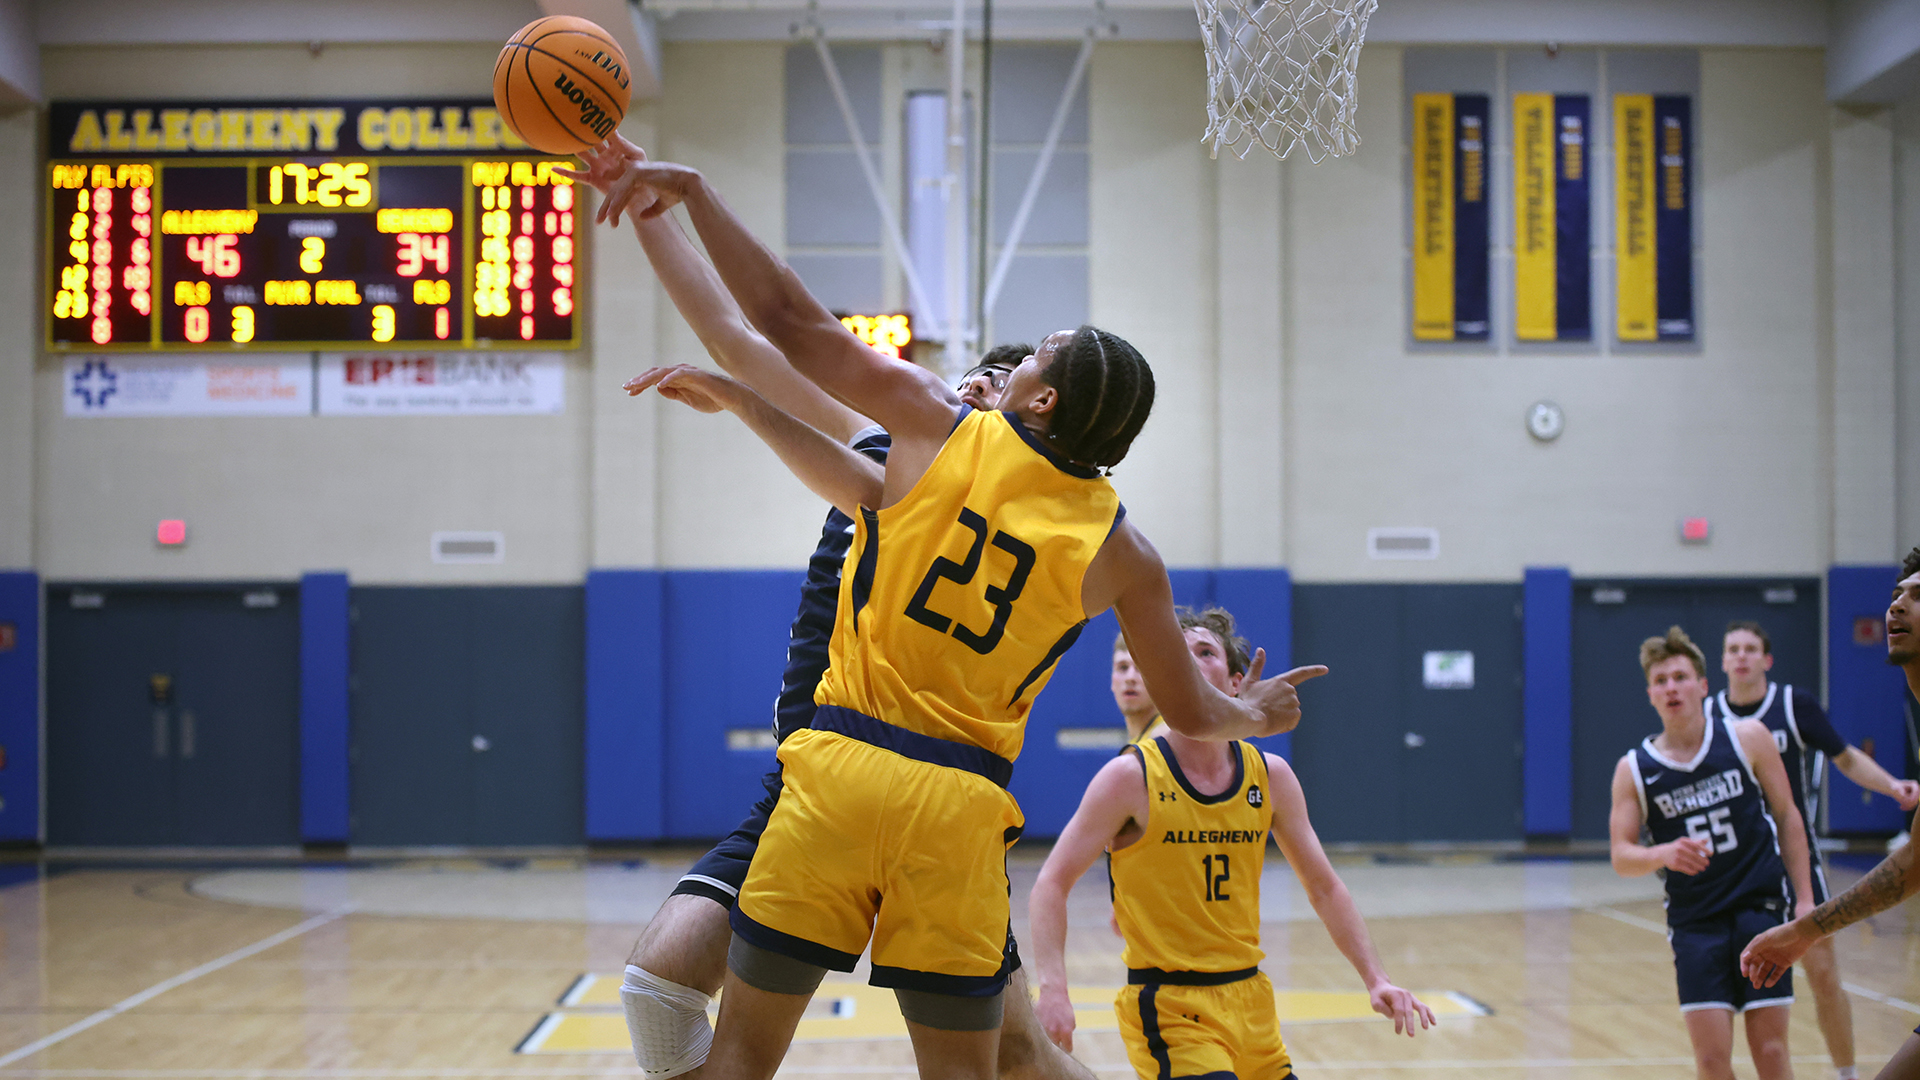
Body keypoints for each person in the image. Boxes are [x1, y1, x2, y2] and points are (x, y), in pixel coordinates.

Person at [599, 146, 1327, 1080]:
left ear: (1042, 399)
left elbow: (780, 320)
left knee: (742, 1056)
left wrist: (691, 193)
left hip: (836, 773)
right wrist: (1253, 716)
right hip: (957, 804)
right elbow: (1190, 712)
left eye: (1036, 359)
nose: (1015, 362)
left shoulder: (933, 428)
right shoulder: (1124, 549)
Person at [559, 140, 1084, 1080]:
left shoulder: (997, 503)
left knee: (1014, 1055)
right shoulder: (885, 444)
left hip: (924, 793)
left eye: (992, 386)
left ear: (1015, 419)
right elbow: (740, 337)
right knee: (658, 985)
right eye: (969, 373)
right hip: (815, 780)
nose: (968, 384)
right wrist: (649, 211)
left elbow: (765, 338)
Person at [1030, 606, 1434, 1080]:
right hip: (1170, 1007)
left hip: (1252, 1003)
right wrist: (1054, 988)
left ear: (1237, 681)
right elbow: (1051, 883)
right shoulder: (1129, 777)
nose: (1192, 660)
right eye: (1179, 654)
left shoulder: (1271, 776)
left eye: (1205, 651)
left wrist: (1376, 978)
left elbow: (1325, 888)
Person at [1714, 621, 1920, 1080]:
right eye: (1734, 649)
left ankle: (1846, 1074)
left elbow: (1845, 756)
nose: (1742, 656)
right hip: (1736, 865)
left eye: (1751, 648)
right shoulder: (1709, 716)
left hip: (1795, 859)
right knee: (1739, 986)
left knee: (1824, 975)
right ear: (1724, 660)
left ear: (1766, 660)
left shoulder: (1792, 705)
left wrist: (1891, 786)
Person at [1610, 625, 1815, 1080]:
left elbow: (1788, 817)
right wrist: (1662, 852)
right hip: (1695, 921)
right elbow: (1622, 855)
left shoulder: (1748, 738)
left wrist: (1803, 900)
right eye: (1661, 681)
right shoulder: (1635, 769)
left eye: (1680, 677)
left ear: (1703, 685)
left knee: (1772, 1050)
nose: (1672, 688)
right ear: (1650, 695)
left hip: (1759, 908)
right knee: (1710, 1060)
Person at [1111, 631, 1165, 745]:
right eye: (1123, 667)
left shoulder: (1168, 740)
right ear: (1112, 682)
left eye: (1141, 668)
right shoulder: (1136, 746)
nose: (1130, 678)